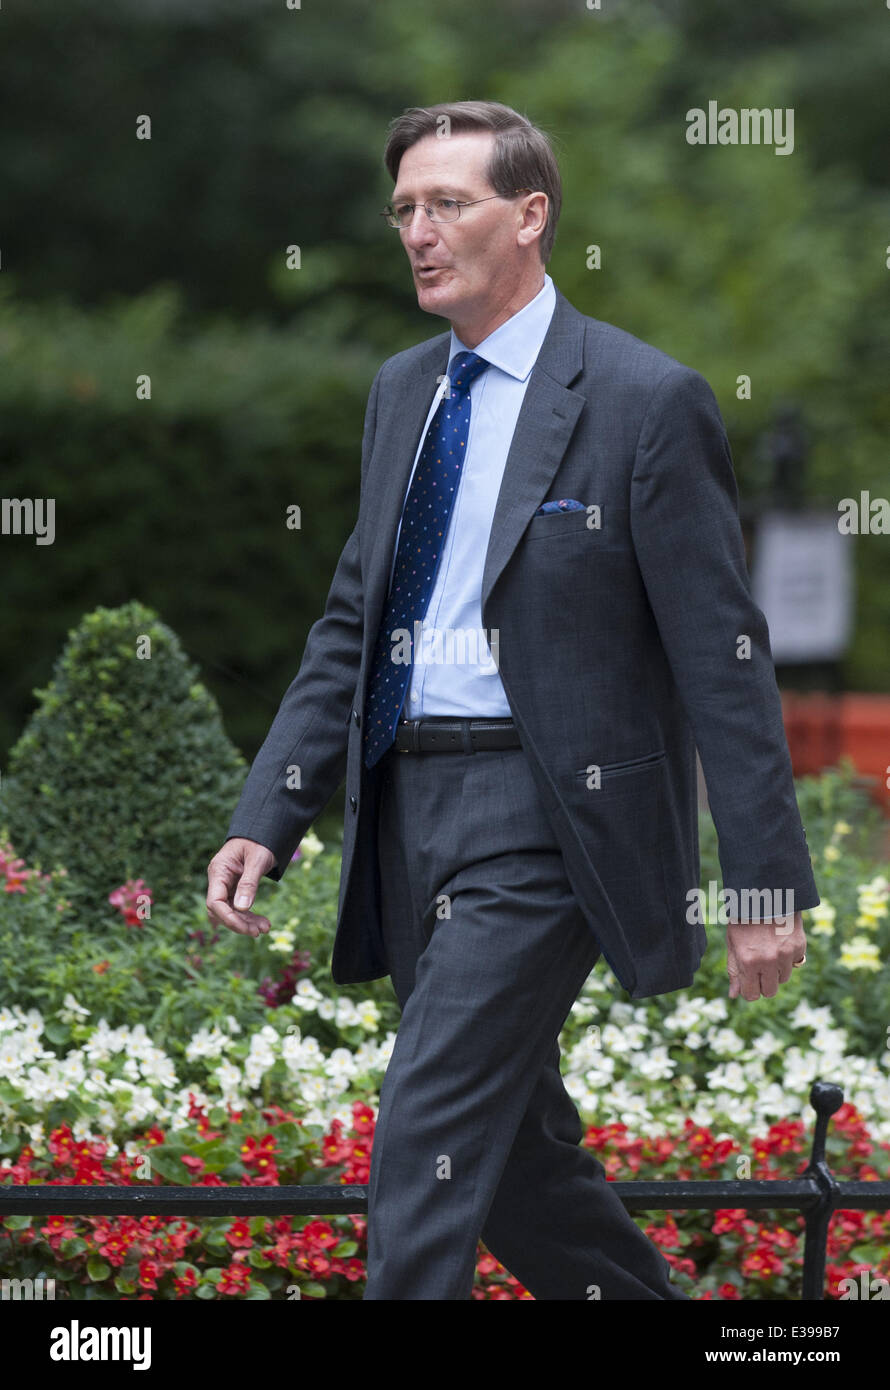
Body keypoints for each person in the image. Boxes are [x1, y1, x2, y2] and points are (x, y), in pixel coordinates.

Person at [206, 100, 819, 1300]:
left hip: (549, 817)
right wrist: (269, 808)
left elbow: (722, 655)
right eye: (403, 210)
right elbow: (354, 620)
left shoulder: (645, 400)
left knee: (422, 1130)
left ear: (530, 215)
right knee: (512, 1160)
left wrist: (761, 878)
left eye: (448, 204)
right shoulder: (401, 394)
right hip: (408, 807)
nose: (417, 233)